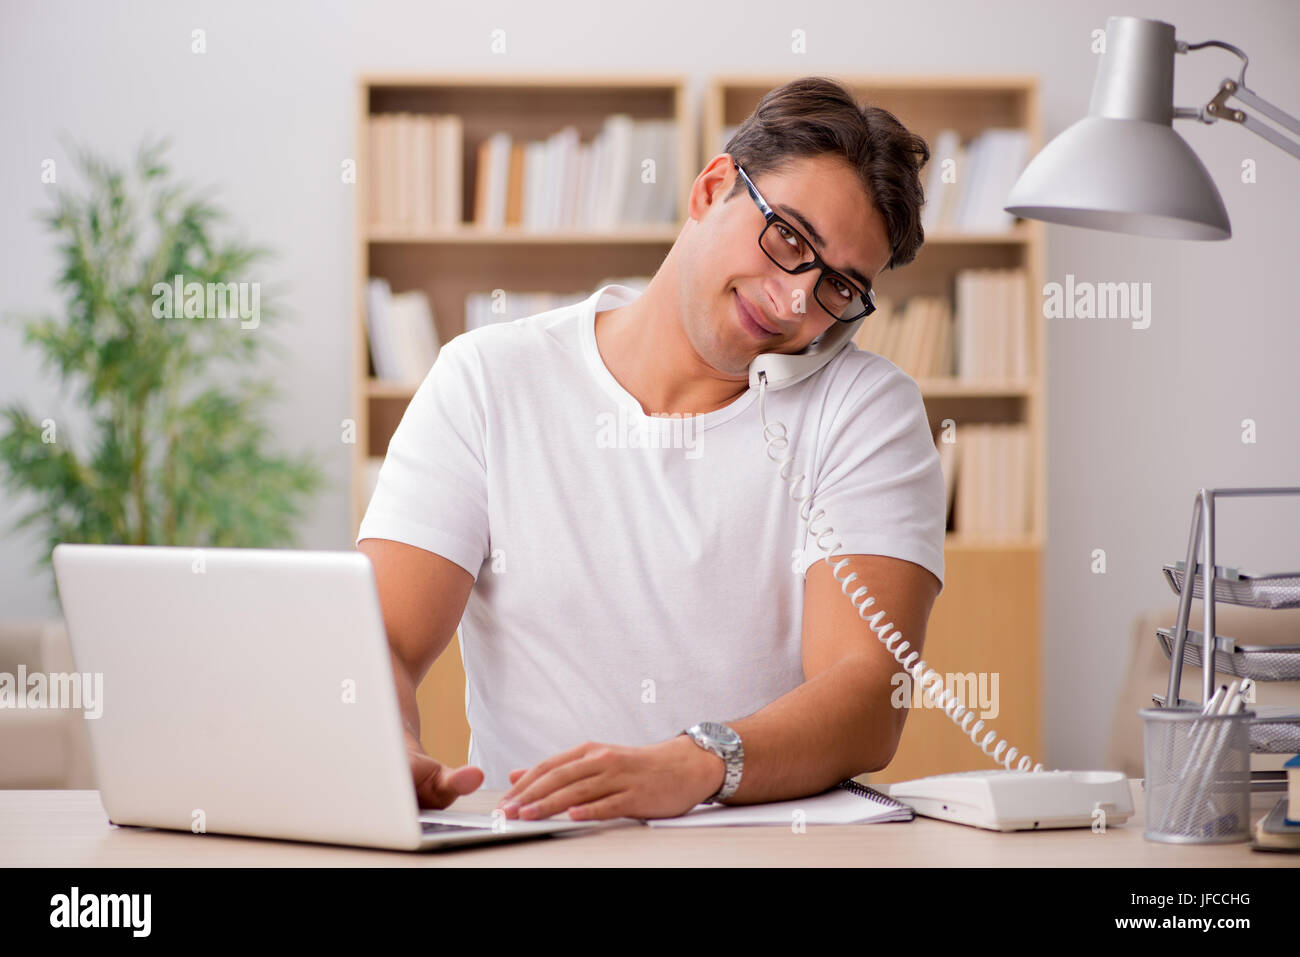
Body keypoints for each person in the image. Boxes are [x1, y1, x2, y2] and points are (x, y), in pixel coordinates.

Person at [356, 75, 944, 822]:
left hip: (764, 848)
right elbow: (382, 640)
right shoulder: (487, 378)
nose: (796, 299)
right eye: (788, 238)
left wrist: (696, 764)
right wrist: (387, 744)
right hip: (539, 844)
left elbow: (867, 691)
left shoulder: (868, 411)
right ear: (711, 188)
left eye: (837, 288)